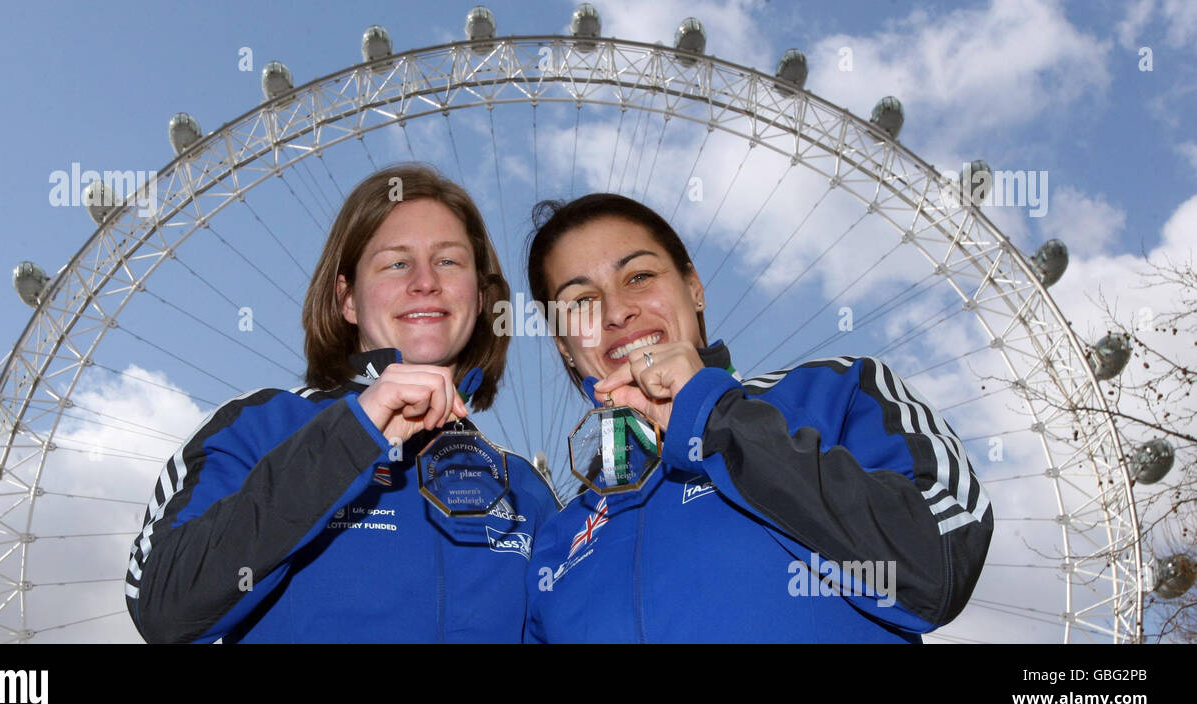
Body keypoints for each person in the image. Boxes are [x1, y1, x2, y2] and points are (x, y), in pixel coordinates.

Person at [523, 193, 993, 642]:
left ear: (694, 288)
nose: (617, 312)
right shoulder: (558, 539)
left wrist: (715, 418)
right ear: (564, 346)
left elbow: (940, 565)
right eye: (580, 302)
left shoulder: (837, 393)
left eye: (640, 276)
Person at [124, 164, 556, 643]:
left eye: (449, 262)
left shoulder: (524, 490)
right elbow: (164, 606)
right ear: (347, 299)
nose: (425, 282)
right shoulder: (260, 426)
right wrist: (353, 436)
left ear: (479, 299)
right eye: (396, 262)